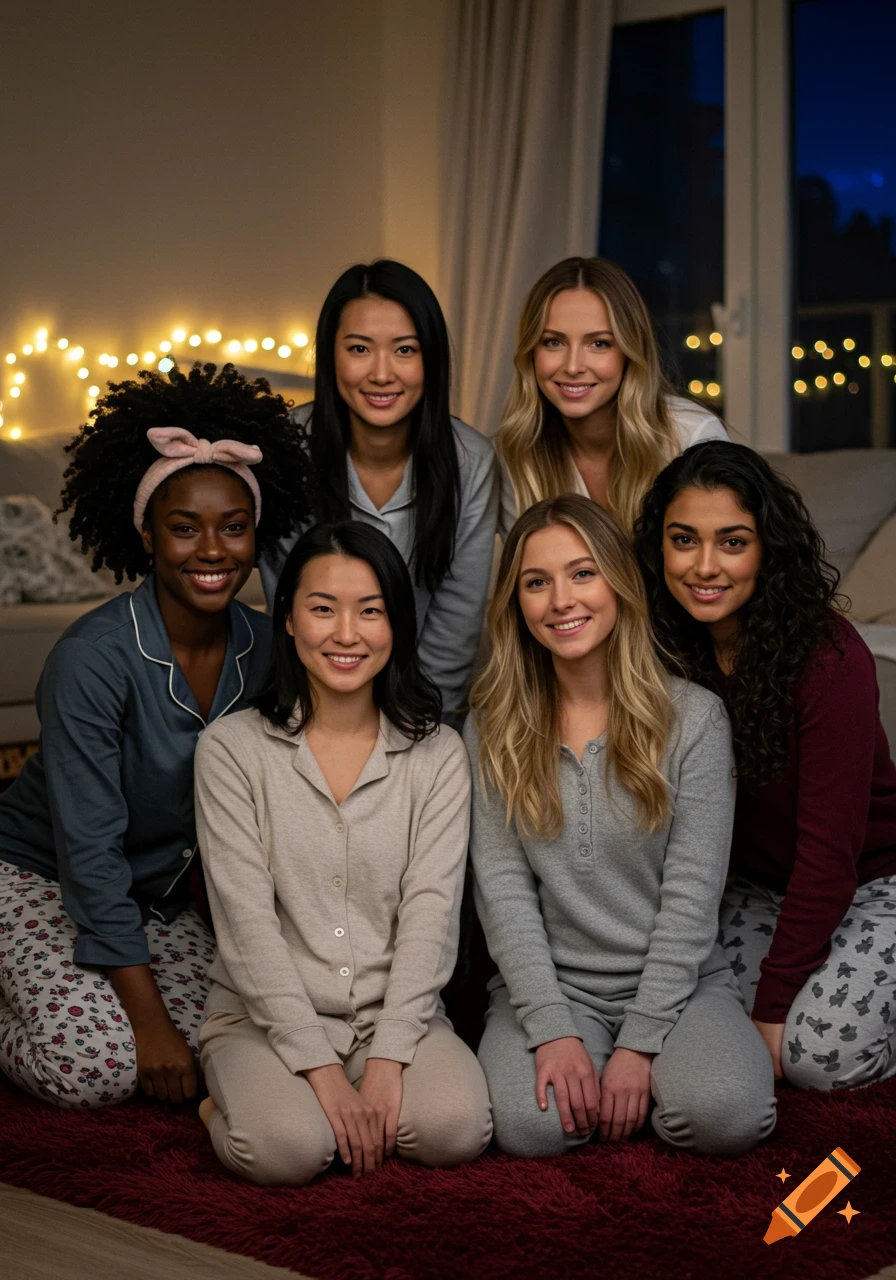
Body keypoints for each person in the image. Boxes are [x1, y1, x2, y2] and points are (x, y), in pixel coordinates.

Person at [0, 361, 310, 1109]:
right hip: (38, 877)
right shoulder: (91, 659)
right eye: (184, 527)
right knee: (101, 1066)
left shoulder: (272, 649)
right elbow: (88, 853)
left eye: (234, 528)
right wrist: (147, 1025)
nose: (212, 550)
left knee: (234, 1040)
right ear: (144, 534)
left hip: (158, 898)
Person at [465, 494, 775, 1159]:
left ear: (619, 582)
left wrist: (639, 1044)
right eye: (536, 582)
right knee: (531, 1126)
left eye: (582, 573)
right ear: (516, 603)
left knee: (726, 1115)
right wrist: (551, 1029)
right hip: (555, 988)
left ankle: (652, 1080)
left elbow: (693, 896)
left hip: (682, 985)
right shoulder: (491, 728)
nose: (560, 601)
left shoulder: (692, 720)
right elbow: (503, 892)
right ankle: (609, 1079)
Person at [195, 521, 492, 1186]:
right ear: (290, 621)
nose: (347, 634)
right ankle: (221, 1102)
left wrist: (387, 1061)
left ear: (398, 625)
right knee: (290, 1150)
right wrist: (321, 1073)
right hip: (261, 1017)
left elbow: (430, 914)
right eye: (323, 609)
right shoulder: (231, 751)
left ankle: (339, 1091)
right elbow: (246, 928)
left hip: (395, 1012)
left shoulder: (438, 754)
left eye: (371, 611)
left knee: (455, 1130)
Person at [635, 440, 896, 1091]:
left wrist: (775, 1005)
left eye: (732, 542)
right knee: (672, 1019)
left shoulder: (829, 662)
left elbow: (829, 857)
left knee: (813, 1058)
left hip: (870, 881)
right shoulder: (661, 649)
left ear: (768, 549)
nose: (704, 566)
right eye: (683, 539)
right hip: (754, 891)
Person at [260, 259, 499, 728]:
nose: (382, 373)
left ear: (431, 359)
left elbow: (455, 630)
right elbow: (288, 614)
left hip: (425, 714)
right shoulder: (285, 450)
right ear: (331, 356)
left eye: (405, 350)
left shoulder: (470, 461)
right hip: (309, 708)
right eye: (359, 349)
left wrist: (418, 736)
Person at [497, 257, 727, 537]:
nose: (572, 366)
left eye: (599, 343)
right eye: (553, 342)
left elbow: (713, 566)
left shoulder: (691, 437)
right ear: (531, 352)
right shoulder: (515, 452)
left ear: (629, 351)